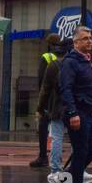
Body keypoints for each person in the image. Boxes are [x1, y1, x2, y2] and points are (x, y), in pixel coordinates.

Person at [59, 26, 92, 183]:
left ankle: (68, 177)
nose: (90, 41)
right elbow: (66, 89)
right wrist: (72, 113)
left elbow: (86, 89)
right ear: (76, 42)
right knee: (80, 152)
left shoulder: (85, 60)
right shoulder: (70, 62)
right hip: (77, 114)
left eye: (91, 38)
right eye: (85, 38)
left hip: (88, 113)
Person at [36, 38, 71, 183]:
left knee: (57, 138)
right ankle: (77, 168)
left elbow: (44, 89)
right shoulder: (73, 64)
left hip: (56, 106)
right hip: (72, 107)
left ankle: (56, 170)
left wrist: (40, 108)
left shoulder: (52, 64)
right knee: (76, 140)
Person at [30, 33, 62, 169]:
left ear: (48, 44)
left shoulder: (47, 57)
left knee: (43, 127)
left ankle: (43, 156)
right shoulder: (64, 58)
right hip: (60, 99)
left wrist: (40, 104)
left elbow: (42, 82)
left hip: (48, 99)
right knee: (58, 133)